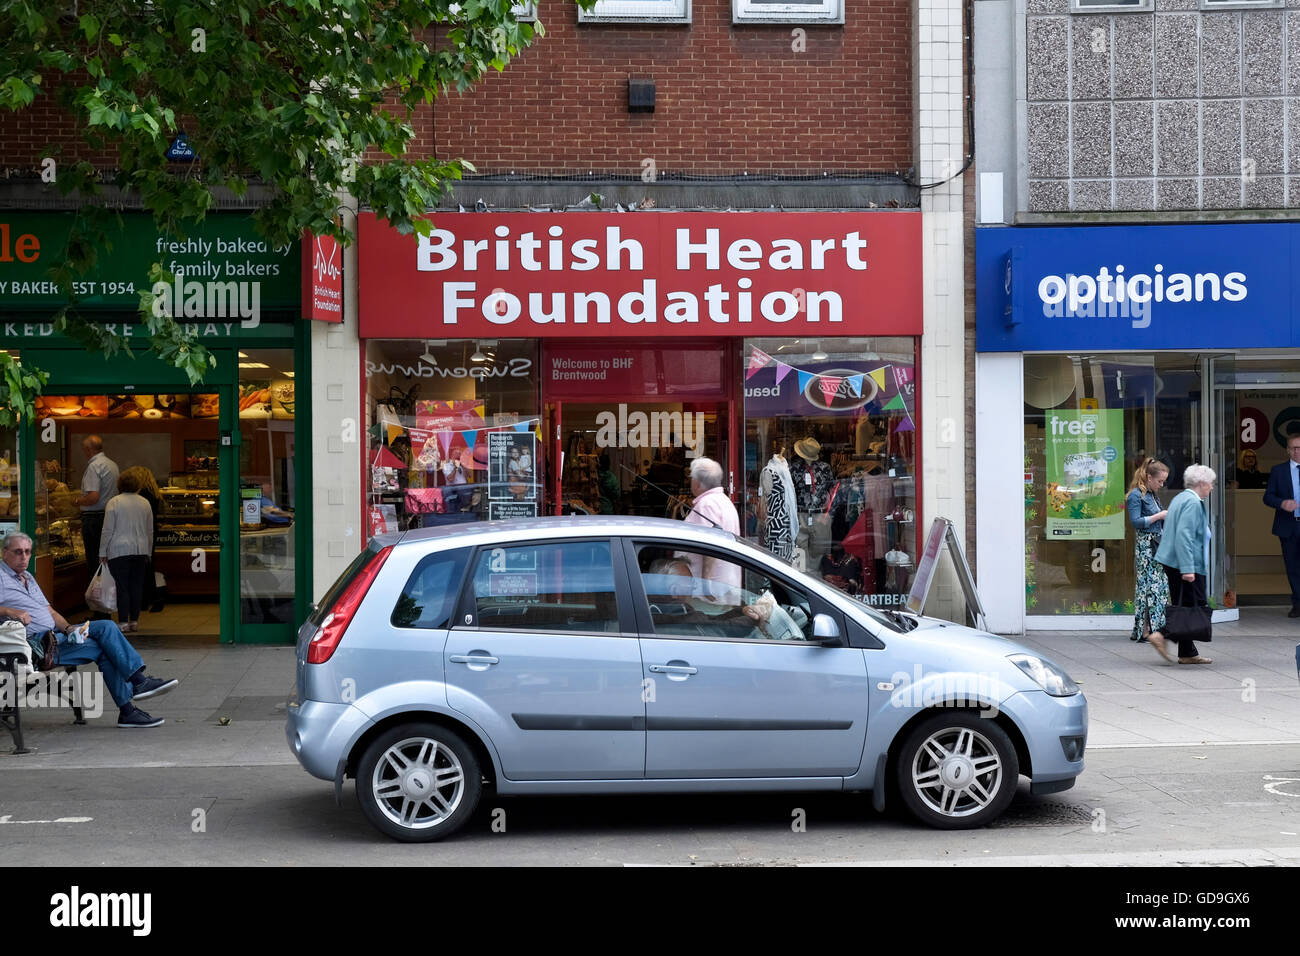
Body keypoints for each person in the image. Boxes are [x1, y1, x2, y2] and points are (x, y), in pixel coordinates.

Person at [0, 531, 178, 727]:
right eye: (18, 552)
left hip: (55, 638)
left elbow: (49, 611)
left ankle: (133, 698)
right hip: (33, 647)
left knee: (106, 632)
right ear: (4, 552)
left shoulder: (27, 577)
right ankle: (133, 697)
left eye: (27, 552)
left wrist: (69, 629)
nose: (24, 557)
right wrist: (10, 610)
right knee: (107, 638)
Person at [1152, 464, 1217, 665]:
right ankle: (1162, 635)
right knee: (1195, 604)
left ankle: (1187, 652)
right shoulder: (1192, 503)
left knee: (1186, 605)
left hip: (1173, 561)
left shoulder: (1181, 497)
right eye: (1211, 484)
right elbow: (1184, 536)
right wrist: (1188, 569)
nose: (1212, 488)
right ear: (1202, 483)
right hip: (1185, 563)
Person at [679, 457, 741, 601]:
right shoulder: (724, 501)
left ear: (698, 483)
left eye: (692, 478)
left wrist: (706, 585)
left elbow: (709, 545)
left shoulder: (707, 505)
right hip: (723, 585)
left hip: (711, 591)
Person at [100, 470, 154, 633]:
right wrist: (149, 551)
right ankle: (134, 621)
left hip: (119, 549)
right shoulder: (145, 502)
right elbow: (149, 530)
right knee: (136, 586)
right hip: (140, 549)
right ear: (137, 485)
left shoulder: (114, 502)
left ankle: (123, 621)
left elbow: (107, 530)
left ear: (120, 485)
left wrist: (102, 551)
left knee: (122, 587)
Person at [1126, 458, 1170, 645]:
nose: (1161, 485)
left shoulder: (1151, 495)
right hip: (1146, 545)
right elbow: (1135, 521)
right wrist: (1159, 516)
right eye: (1159, 481)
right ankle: (1145, 629)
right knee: (1147, 586)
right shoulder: (1137, 495)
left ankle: (1155, 627)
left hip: (1156, 543)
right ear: (1149, 477)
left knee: (1158, 586)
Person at [1263, 430, 1300, 617]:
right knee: (1292, 566)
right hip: (1288, 525)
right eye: (1293, 448)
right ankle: (1298, 603)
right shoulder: (1279, 471)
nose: (1297, 452)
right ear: (1287, 450)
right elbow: (1267, 497)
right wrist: (1282, 503)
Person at [77, 435, 119, 590]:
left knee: (95, 561)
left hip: (93, 519)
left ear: (88, 450)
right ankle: (107, 599)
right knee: (106, 560)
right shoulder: (112, 464)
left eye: (84, 449)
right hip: (108, 516)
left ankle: (97, 605)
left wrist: (76, 501)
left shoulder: (94, 467)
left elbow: (93, 497)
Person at [120, 466, 164, 613]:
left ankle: (146, 600)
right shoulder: (154, 493)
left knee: (141, 569)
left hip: (140, 533)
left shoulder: (142, 495)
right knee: (148, 566)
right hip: (149, 532)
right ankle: (153, 599)